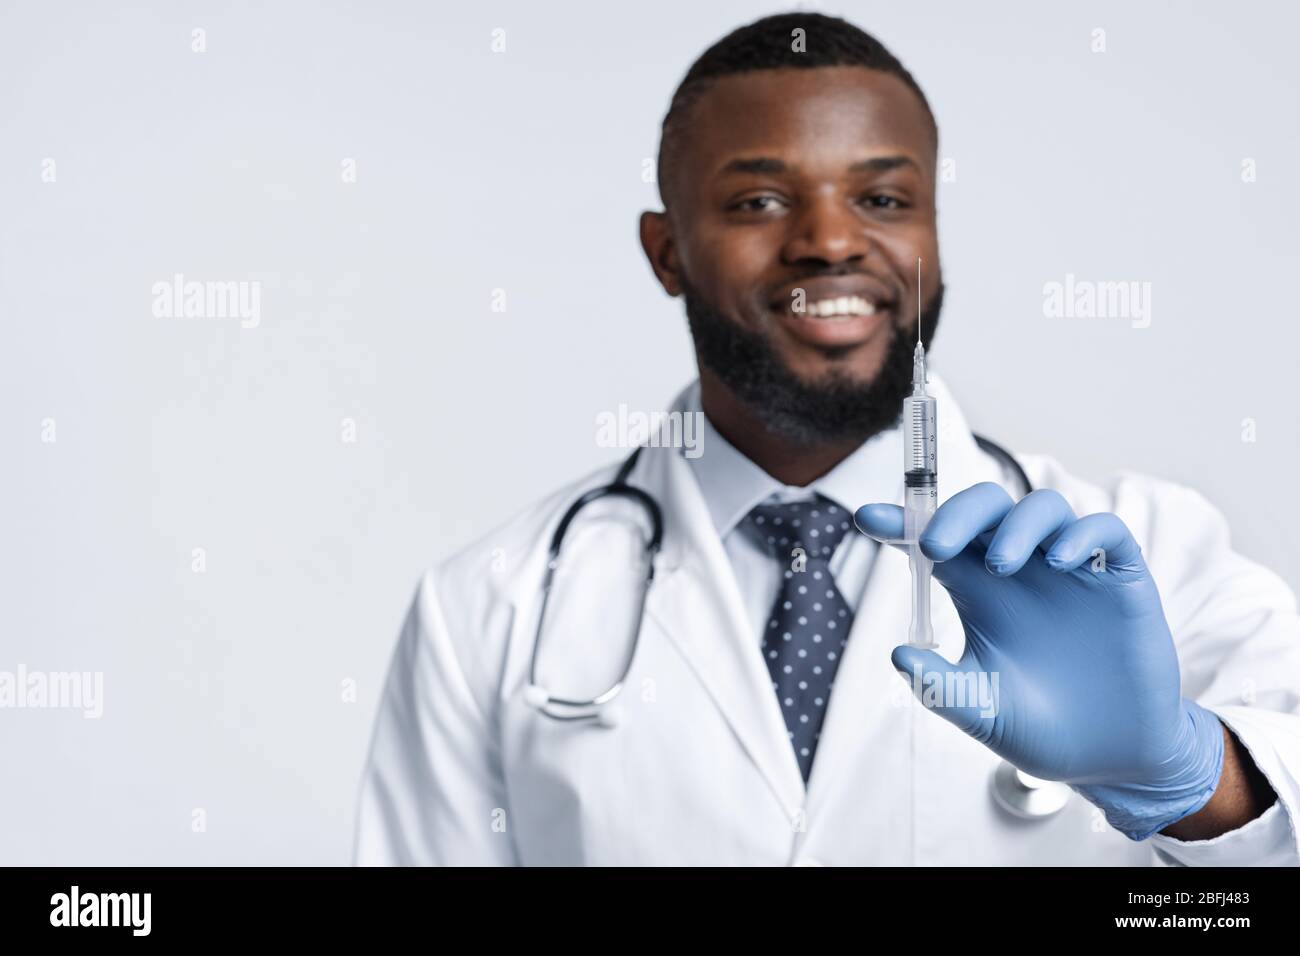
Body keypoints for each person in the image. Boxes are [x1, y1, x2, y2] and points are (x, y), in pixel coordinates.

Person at [353, 12, 1300, 865]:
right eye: (760, 201)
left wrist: (1189, 781)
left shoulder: (1150, 556)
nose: (831, 241)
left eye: (884, 201)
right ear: (666, 250)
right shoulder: (487, 605)